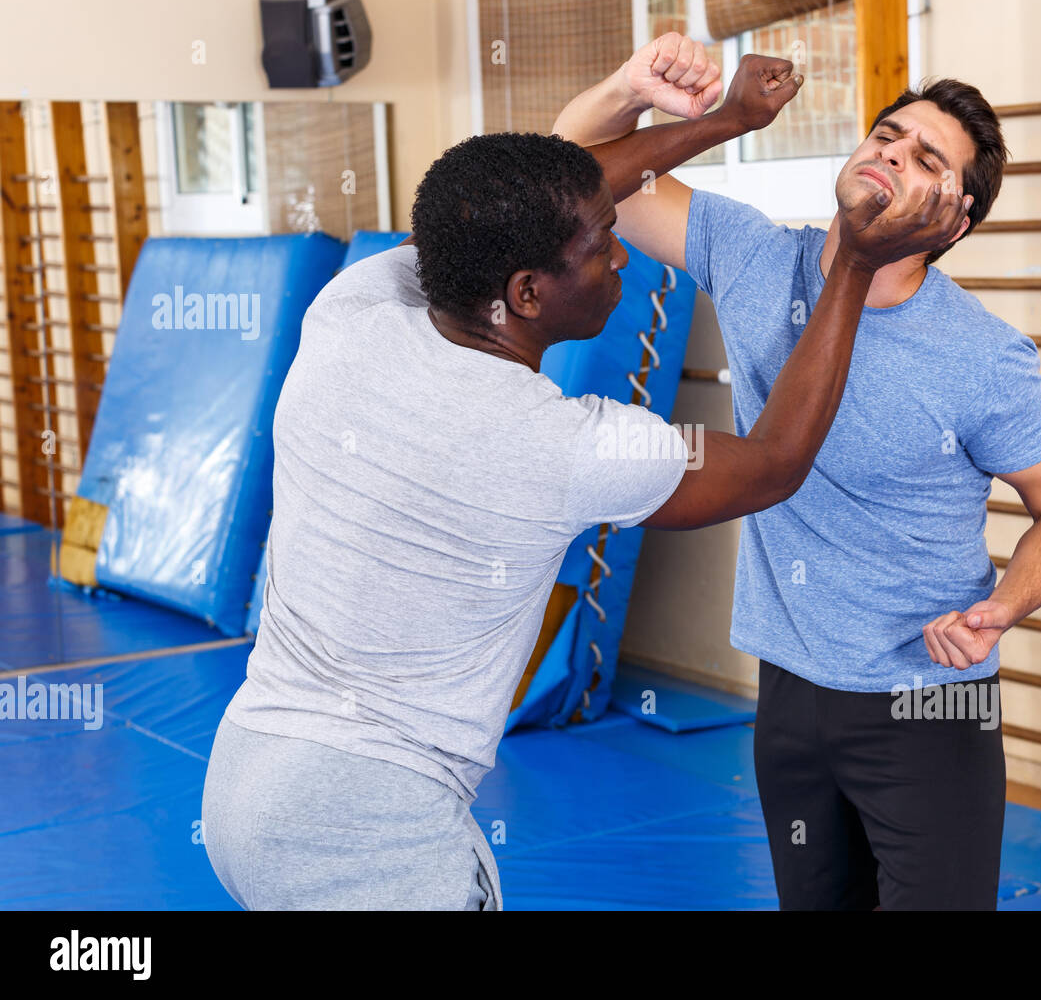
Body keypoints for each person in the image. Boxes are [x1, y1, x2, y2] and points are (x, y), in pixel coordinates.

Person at [199, 45, 971, 910]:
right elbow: (775, 463)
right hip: (365, 824)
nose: (623, 257)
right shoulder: (550, 443)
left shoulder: (358, 305)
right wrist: (857, 266)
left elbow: (510, 205)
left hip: (243, 772)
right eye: (603, 247)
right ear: (527, 293)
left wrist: (725, 123)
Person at [554, 33, 1041, 910]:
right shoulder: (752, 254)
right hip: (791, 690)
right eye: (887, 133)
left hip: (929, 702)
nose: (892, 150)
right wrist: (632, 87)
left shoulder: (983, 355)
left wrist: (1005, 605)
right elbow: (576, 172)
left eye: (926, 156)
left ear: (954, 220)